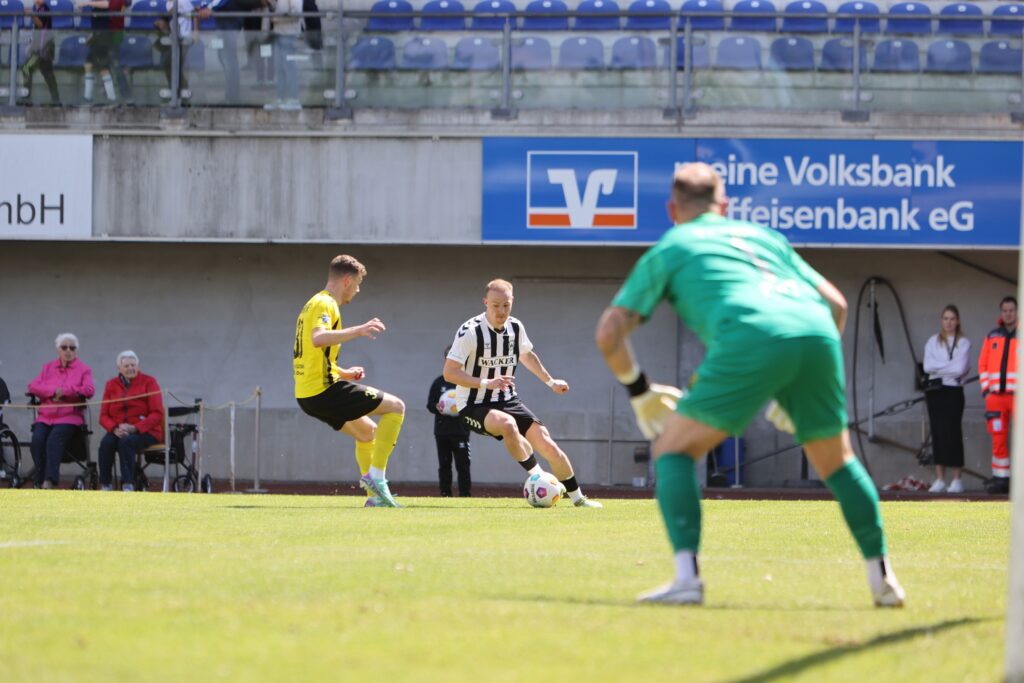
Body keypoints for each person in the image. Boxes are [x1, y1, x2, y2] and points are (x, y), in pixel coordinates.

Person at [595, 162, 904, 607]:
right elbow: (836, 304)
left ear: (672, 209)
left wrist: (640, 392)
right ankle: (884, 580)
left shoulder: (671, 245)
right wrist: (794, 381)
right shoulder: (763, 236)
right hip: (816, 333)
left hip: (749, 337)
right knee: (837, 461)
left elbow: (609, 333)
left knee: (672, 450)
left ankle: (687, 580)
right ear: (725, 206)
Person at [443, 279, 602, 508]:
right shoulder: (470, 331)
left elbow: (526, 356)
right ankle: (539, 477)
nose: (501, 311)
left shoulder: (515, 327)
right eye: (495, 305)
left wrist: (551, 382)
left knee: (548, 445)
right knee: (507, 425)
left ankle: (579, 499)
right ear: (485, 302)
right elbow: (449, 373)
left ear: (512, 302)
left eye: (506, 305)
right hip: (473, 403)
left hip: (507, 399)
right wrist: (487, 383)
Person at [293, 254, 406, 507]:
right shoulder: (325, 304)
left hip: (307, 394)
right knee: (397, 407)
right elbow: (318, 339)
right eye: (357, 285)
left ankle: (374, 500)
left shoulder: (312, 303)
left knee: (368, 433)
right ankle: (377, 478)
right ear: (346, 280)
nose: (357, 291)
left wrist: (344, 373)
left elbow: (313, 355)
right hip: (323, 391)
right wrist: (359, 330)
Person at [27, 333, 95, 489]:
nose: (68, 350)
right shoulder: (48, 367)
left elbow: (89, 390)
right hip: (45, 417)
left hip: (69, 417)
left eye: (72, 347)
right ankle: (38, 479)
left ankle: (49, 481)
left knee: (53, 440)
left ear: (76, 350)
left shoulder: (84, 369)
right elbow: (33, 386)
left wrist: (65, 391)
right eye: (64, 347)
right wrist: (52, 391)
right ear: (58, 349)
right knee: (37, 441)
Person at [98, 351, 164, 492]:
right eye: (126, 366)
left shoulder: (149, 382)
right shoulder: (111, 385)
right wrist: (115, 428)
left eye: (133, 365)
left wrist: (135, 428)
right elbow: (103, 416)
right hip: (119, 429)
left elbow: (157, 414)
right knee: (106, 443)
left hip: (146, 431)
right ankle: (105, 484)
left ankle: (128, 484)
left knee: (126, 442)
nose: (130, 368)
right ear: (119, 369)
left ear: (138, 366)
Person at [923, 305, 970, 494]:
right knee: (938, 432)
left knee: (953, 433)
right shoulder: (933, 342)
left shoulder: (964, 342)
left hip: (953, 391)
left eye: (952, 319)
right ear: (941, 321)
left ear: (957, 321)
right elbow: (927, 366)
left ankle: (957, 479)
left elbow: (960, 369)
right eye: (945, 318)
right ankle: (940, 478)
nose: (949, 322)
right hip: (936, 391)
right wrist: (949, 367)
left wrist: (939, 369)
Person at [979, 296, 1017, 495]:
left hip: (1019, 398)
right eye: (1005, 310)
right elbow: (982, 365)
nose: (1008, 314)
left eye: (1011, 310)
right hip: (996, 399)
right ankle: (1001, 480)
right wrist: (986, 391)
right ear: (1001, 312)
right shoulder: (992, 336)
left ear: (1017, 312)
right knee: (998, 439)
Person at [427, 346, 472, 497]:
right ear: (446, 360)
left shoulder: (466, 382)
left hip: (461, 431)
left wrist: (464, 409)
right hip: (442, 431)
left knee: (463, 465)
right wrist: (437, 407)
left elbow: (473, 404)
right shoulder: (438, 383)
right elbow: (430, 404)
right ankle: (445, 494)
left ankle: (465, 495)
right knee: (444, 465)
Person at [80, 0, 125, 105]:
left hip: (104, 39)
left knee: (103, 68)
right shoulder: (95, 7)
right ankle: (87, 98)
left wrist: (88, 3)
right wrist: (91, 36)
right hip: (96, 39)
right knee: (88, 65)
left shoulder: (103, 4)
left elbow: (107, 4)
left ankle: (112, 99)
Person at [19, 0, 62, 105]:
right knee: (47, 72)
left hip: (43, 48)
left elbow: (40, 24)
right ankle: (56, 100)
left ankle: (26, 98)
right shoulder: (38, 9)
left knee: (26, 68)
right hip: (43, 46)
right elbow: (38, 31)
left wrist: (32, 15)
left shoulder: (44, 8)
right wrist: (32, 45)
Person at [264, 0, 302, 110]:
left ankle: (293, 99)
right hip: (278, 33)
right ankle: (280, 98)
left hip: (289, 34)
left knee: (289, 67)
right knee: (280, 68)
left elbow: (296, 14)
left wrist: (276, 19)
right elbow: (280, 9)